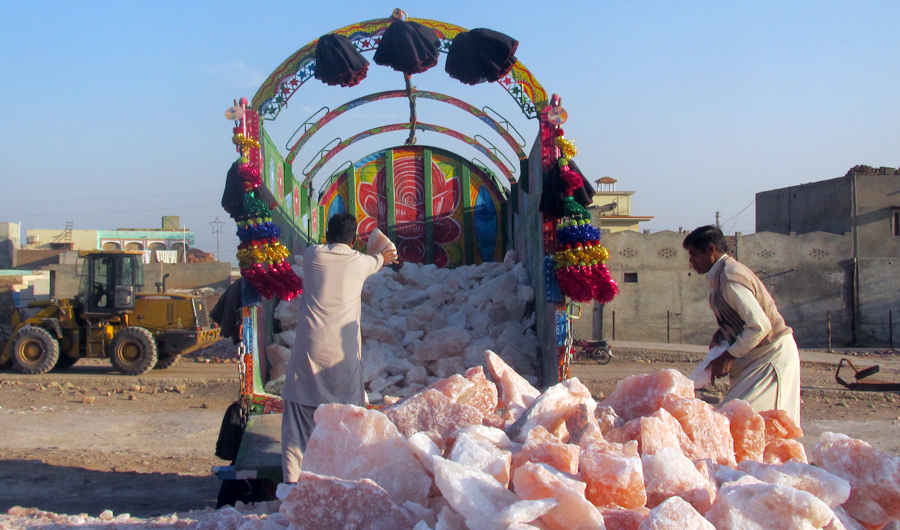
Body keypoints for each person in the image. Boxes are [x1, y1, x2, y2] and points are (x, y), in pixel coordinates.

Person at [280, 213, 398, 483]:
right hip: (343, 359)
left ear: (326, 235)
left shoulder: (313, 256)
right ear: (354, 239)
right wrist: (383, 255)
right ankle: (344, 483)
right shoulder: (361, 263)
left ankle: (292, 487)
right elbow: (380, 258)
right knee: (348, 421)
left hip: (309, 353)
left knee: (297, 425)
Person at [683, 225, 801, 423]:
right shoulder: (721, 276)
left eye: (694, 254)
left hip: (771, 356)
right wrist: (723, 333)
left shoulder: (730, 278)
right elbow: (740, 318)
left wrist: (727, 357)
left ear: (711, 250)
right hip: (756, 359)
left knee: (742, 421)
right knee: (740, 422)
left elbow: (760, 326)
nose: (691, 261)